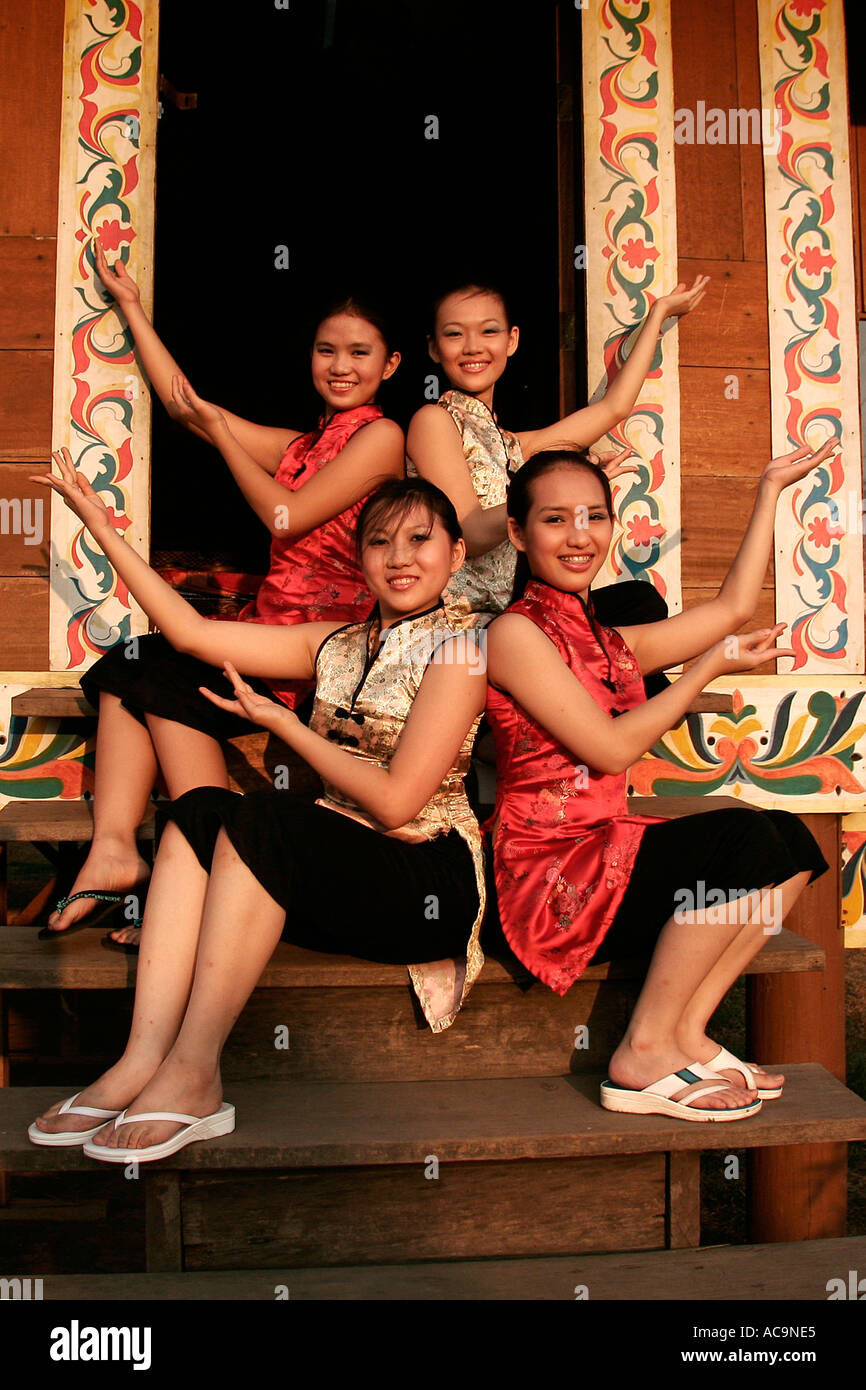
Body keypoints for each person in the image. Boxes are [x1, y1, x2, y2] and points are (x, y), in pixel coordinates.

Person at [29, 457, 486, 1158]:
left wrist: (287, 727)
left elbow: (398, 803)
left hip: (425, 873)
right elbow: (189, 634)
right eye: (379, 542)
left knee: (262, 817)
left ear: (456, 553)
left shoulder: (464, 649)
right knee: (200, 809)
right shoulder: (332, 643)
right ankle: (139, 1060)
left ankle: (196, 1072)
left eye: (420, 540)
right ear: (359, 557)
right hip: (339, 861)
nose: (399, 559)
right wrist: (102, 527)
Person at [44, 242, 403, 943]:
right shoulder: (303, 446)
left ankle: (199, 871)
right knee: (136, 671)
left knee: (164, 677)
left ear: (390, 365)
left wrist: (225, 435)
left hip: (326, 645)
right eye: (326, 350)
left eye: (360, 353)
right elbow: (185, 408)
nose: (340, 366)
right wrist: (133, 310)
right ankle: (117, 850)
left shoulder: (383, 438)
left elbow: (286, 516)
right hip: (268, 632)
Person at [483, 444, 833, 1121]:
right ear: (521, 535)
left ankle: (686, 1032)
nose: (578, 535)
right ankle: (641, 1054)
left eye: (593, 517)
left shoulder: (607, 639)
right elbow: (612, 752)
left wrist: (768, 492)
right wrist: (705, 670)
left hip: (604, 845)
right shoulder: (515, 634)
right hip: (551, 875)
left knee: (791, 843)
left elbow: (731, 608)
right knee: (738, 839)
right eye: (555, 520)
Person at [405, 275, 709, 625]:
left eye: (489, 331)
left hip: (516, 611)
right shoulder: (433, 420)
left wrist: (658, 315)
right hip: (469, 621)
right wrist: (553, 501)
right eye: (454, 334)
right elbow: (471, 533)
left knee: (640, 602)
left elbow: (614, 408)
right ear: (433, 347)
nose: (473, 346)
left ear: (512, 340)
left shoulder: (512, 444)